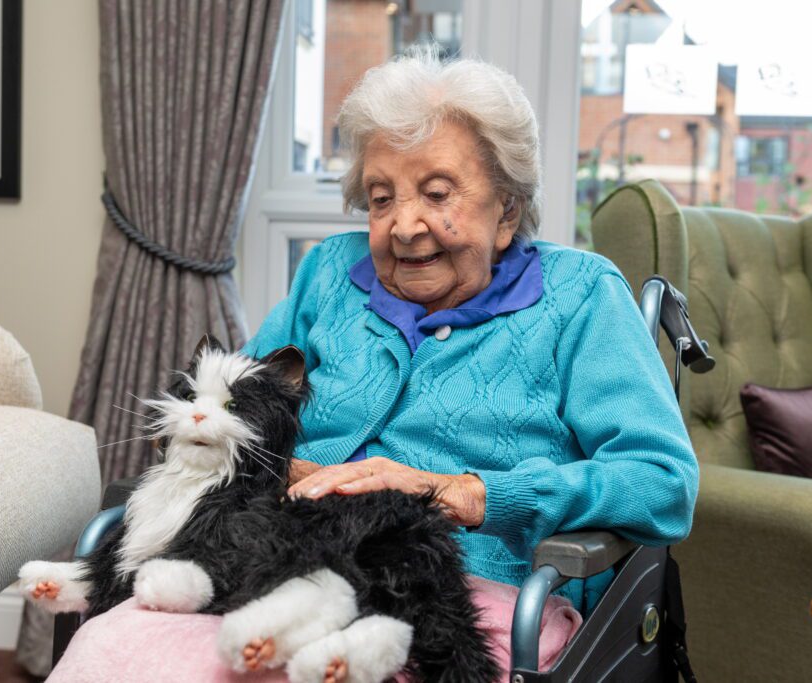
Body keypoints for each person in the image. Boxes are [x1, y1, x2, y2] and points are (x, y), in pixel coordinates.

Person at [50, 47, 698, 682]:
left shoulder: (581, 297)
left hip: (448, 598)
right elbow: (231, 418)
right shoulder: (329, 274)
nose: (403, 225)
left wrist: (469, 492)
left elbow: (663, 480)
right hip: (266, 568)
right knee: (112, 646)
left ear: (507, 208)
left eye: (436, 193)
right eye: (381, 198)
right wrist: (268, 469)